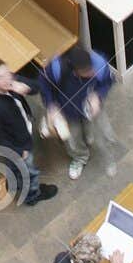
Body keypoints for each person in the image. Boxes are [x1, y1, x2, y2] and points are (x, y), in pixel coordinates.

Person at [0, 59, 57, 206]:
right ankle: (32, 195)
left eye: (7, 73)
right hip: (18, 146)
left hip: (22, 131)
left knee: (15, 169)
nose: (6, 79)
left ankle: (14, 182)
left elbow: (37, 86)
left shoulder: (11, 80)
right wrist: (20, 152)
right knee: (29, 172)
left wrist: (26, 88)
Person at [36, 46, 118, 181]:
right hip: (68, 111)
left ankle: (109, 158)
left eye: (92, 69)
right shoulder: (57, 68)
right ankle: (80, 158)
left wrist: (98, 95)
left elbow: (108, 81)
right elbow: (44, 84)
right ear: (76, 71)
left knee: (103, 134)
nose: (92, 73)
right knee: (73, 139)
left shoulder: (98, 63)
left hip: (92, 108)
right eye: (87, 72)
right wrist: (51, 105)